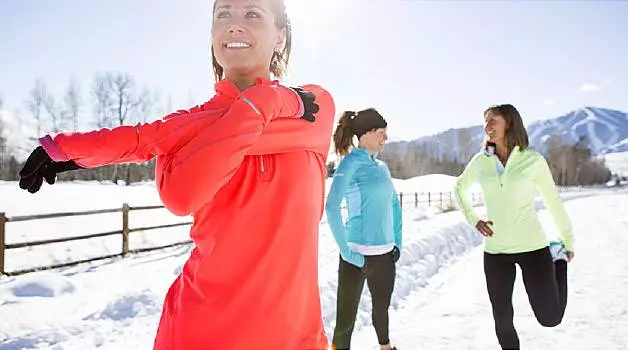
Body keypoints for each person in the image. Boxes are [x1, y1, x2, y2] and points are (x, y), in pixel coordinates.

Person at [17, 0, 335, 348]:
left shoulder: (314, 106)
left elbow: (154, 137)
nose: (234, 24)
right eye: (223, 14)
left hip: (296, 336)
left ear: (280, 36)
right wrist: (267, 103)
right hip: (199, 331)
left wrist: (82, 150)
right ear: (212, 33)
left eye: (253, 13)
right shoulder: (295, 108)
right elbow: (182, 195)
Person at [454, 104, 574, 349]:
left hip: (533, 248)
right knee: (502, 319)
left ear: (509, 122)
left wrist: (568, 240)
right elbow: (459, 188)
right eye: (485, 121)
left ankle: (557, 259)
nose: (487, 126)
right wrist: (474, 218)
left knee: (550, 318)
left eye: (493, 120)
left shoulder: (533, 160)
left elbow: (552, 201)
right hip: (496, 252)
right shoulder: (481, 160)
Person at [325, 108, 402, 350]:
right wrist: (347, 252)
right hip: (356, 256)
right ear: (366, 134)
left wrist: (397, 241)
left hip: (385, 255)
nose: (385, 138)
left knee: (382, 311)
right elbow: (331, 206)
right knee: (345, 321)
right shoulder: (350, 163)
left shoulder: (381, 167)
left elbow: (394, 205)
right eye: (381, 133)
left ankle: (385, 348)